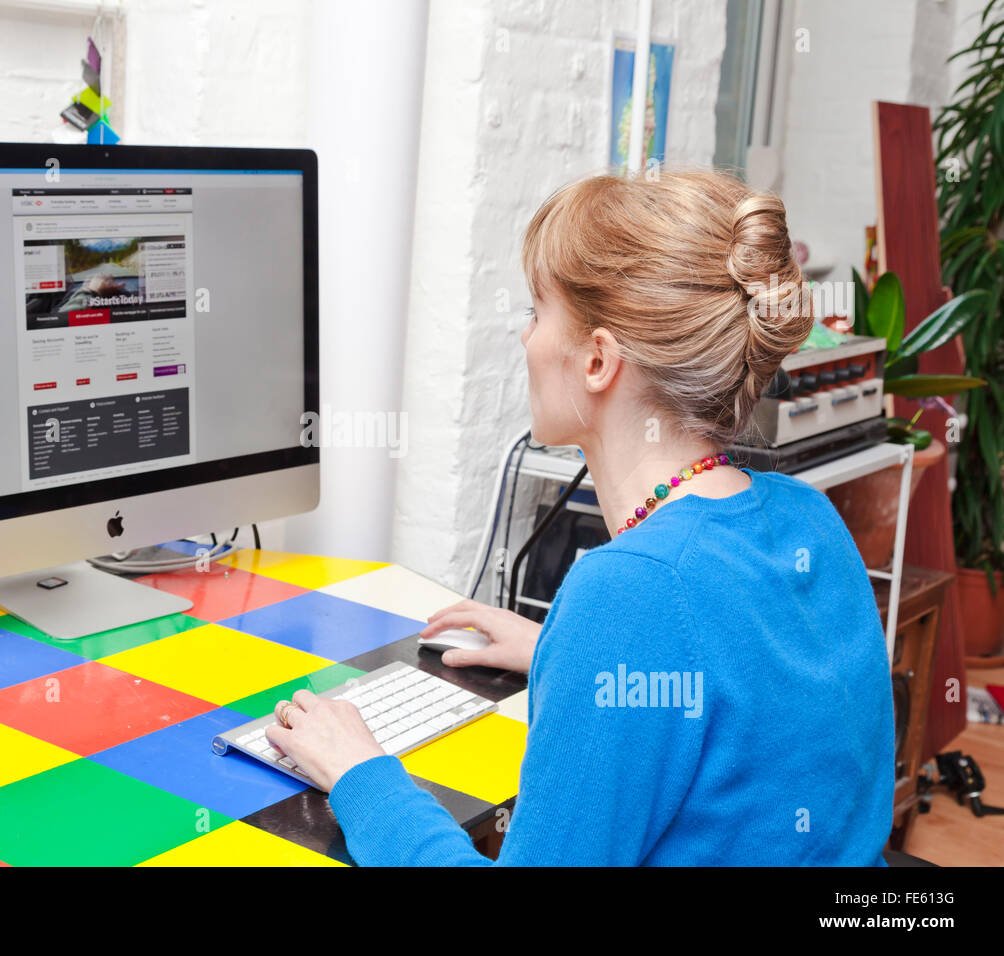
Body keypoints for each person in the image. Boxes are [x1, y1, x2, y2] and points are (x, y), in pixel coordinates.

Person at [264, 170, 896, 866]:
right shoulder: (810, 518)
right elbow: (751, 699)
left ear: (598, 360)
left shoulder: (630, 594)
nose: (526, 337)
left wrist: (361, 775)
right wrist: (565, 656)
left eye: (538, 310)